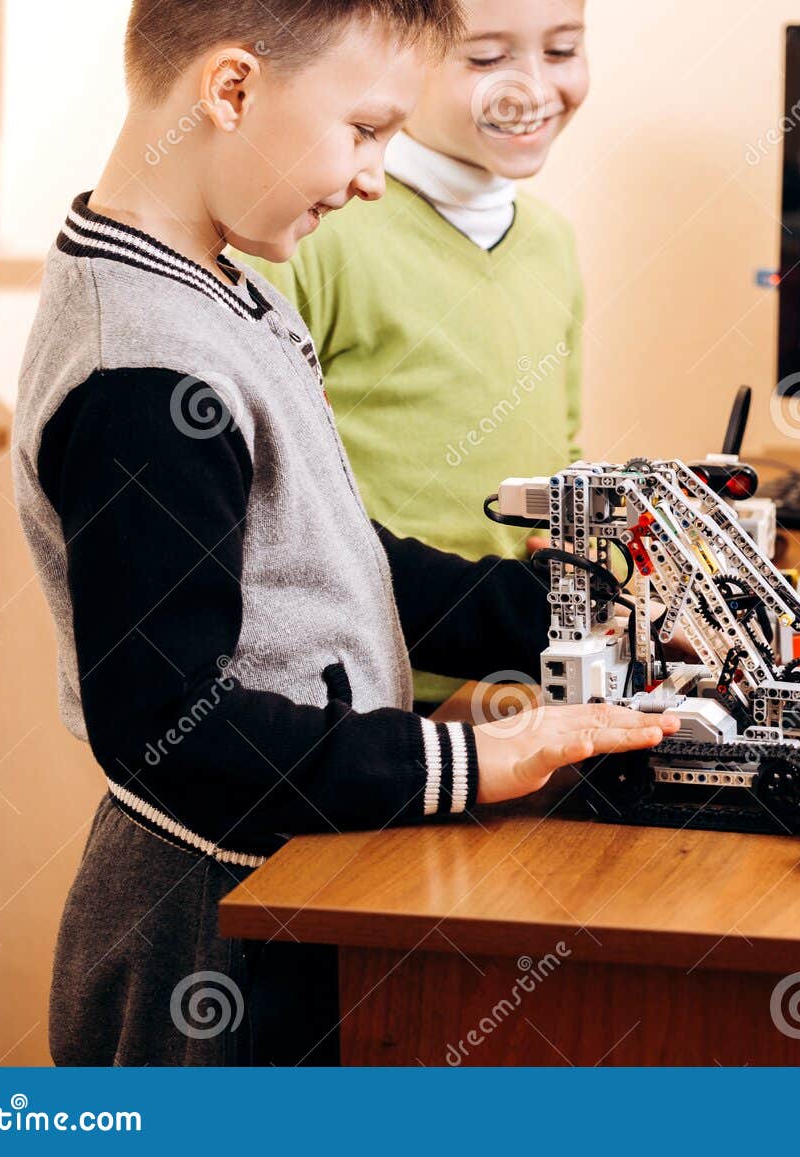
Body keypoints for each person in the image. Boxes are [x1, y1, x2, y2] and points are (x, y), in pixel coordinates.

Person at [11, 0, 675, 1066]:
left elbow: (328, 554)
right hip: (214, 926)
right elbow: (168, 722)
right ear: (231, 91)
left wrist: (565, 605)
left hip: (290, 869)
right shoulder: (143, 371)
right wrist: (470, 758)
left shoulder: (212, 288)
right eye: (364, 130)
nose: (375, 176)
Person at [248, 0, 589, 706]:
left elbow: (562, 448)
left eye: (561, 51)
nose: (530, 88)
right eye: (487, 59)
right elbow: (271, 507)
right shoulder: (313, 235)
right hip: (369, 698)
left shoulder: (553, 243)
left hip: (528, 677)